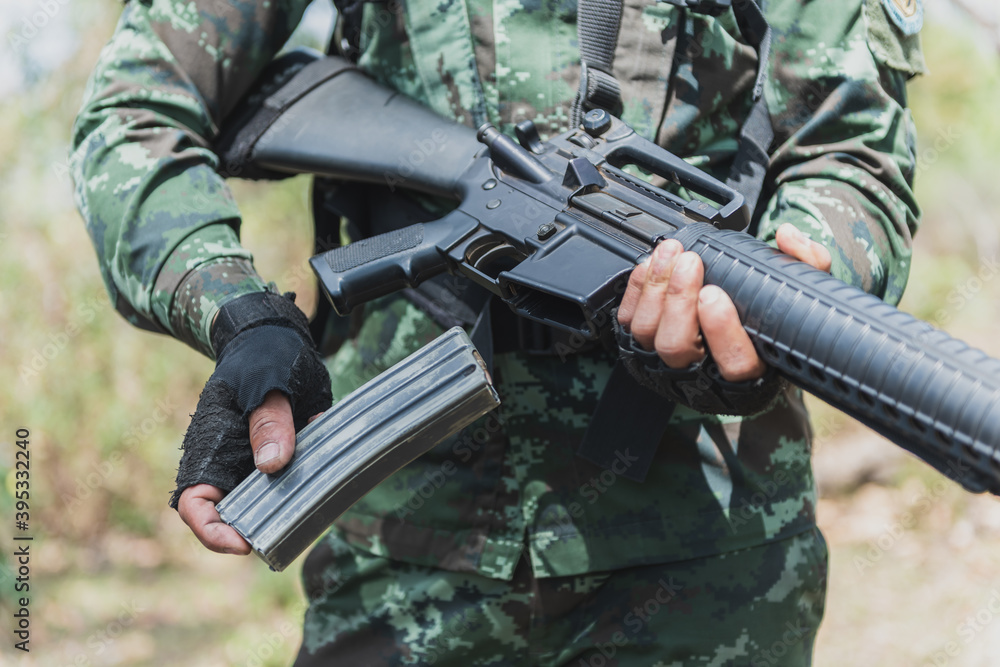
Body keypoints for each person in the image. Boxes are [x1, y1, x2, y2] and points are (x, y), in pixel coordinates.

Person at [70, 0, 925, 664]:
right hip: (405, 535)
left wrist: (799, 282)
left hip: (710, 553)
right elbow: (134, 113)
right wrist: (239, 311)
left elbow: (854, 155)